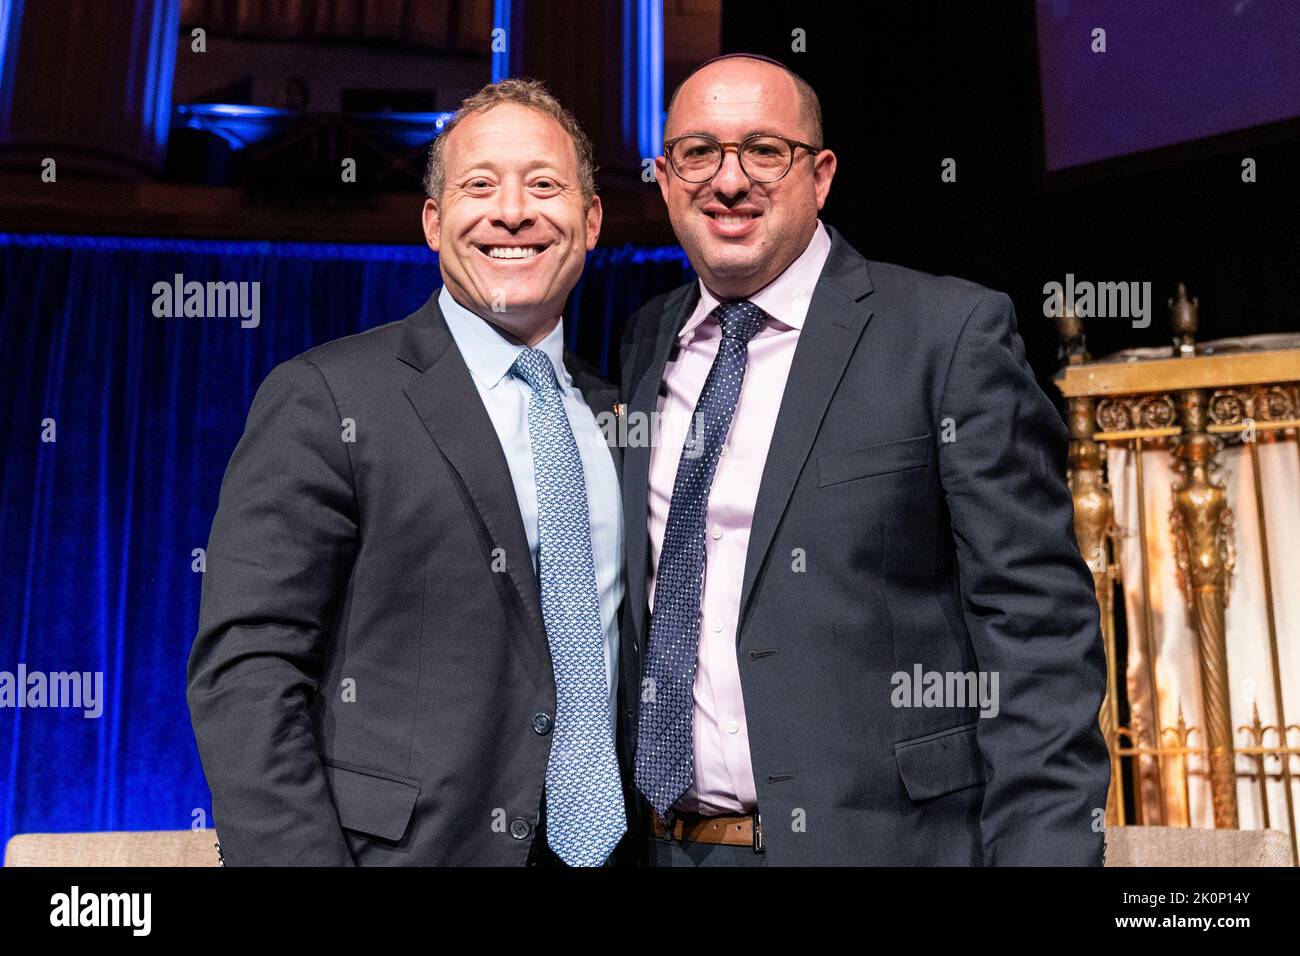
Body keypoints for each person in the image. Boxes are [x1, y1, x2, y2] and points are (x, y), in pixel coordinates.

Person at [620, 53, 1110, 866]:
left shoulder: (947, 335)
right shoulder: (645, 342)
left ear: (821, 174)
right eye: (699, 153)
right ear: (667, 180)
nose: (729, 180)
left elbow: (1039, 636)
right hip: (676, 851)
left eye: (764, 150)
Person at [187, 79, 635, 866]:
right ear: (433, 222)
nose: (513, 212)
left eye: (544, 184)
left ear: (591, 220)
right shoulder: (326, 396)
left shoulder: (623, 416)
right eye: (479, 185)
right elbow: (249, 670)